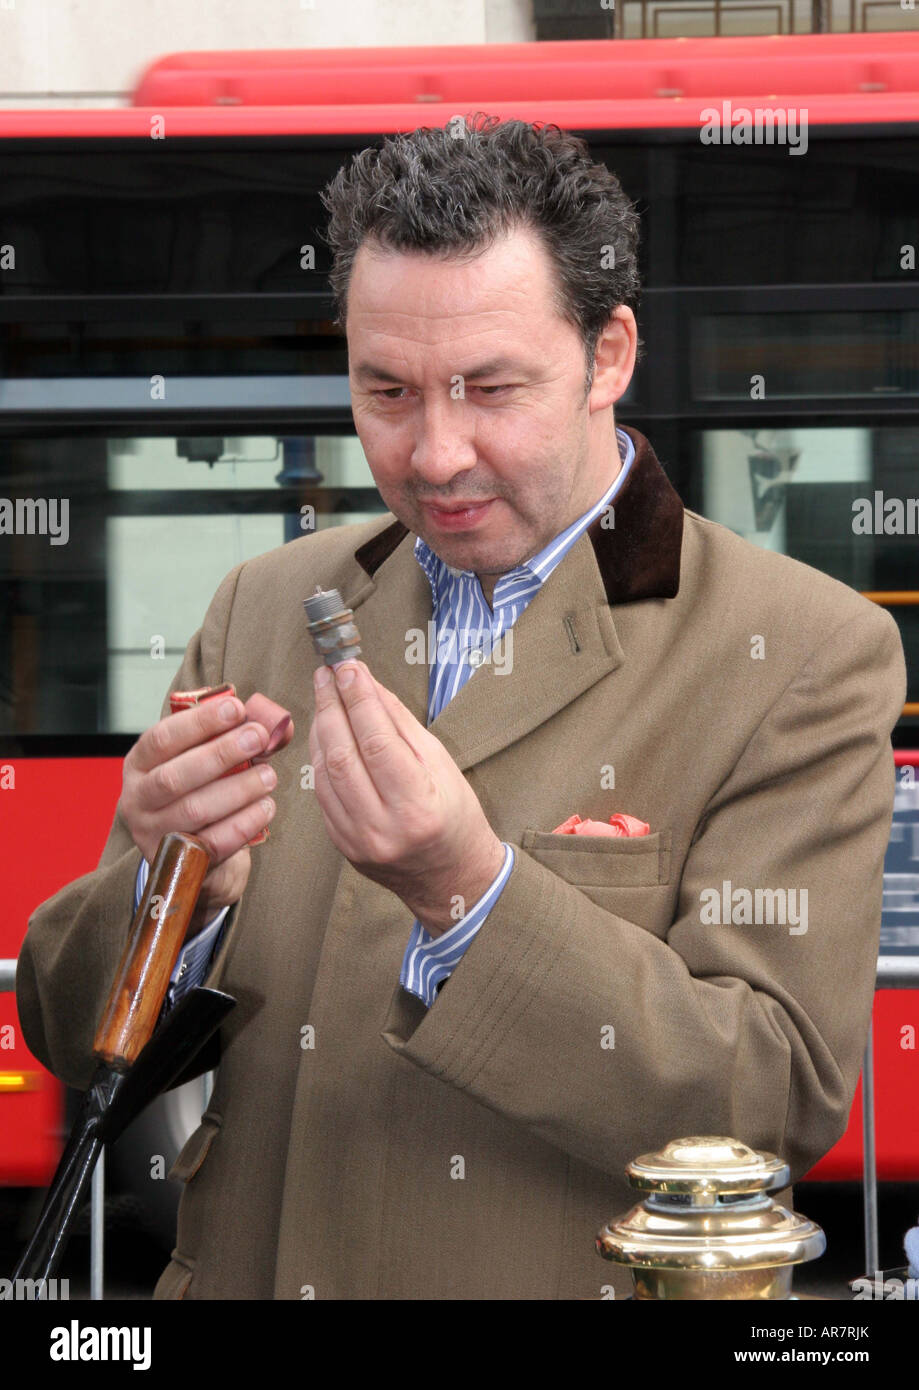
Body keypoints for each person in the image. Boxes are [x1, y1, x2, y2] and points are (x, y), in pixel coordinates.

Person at [17, 114, 905, 1300]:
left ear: (609, 355)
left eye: (491, 389)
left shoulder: (805, 649)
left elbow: (772, 1097)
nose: (434, 453)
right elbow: (69, 1034)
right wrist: (160, 893)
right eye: (384, 388)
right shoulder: (264, 602)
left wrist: (464, 892)